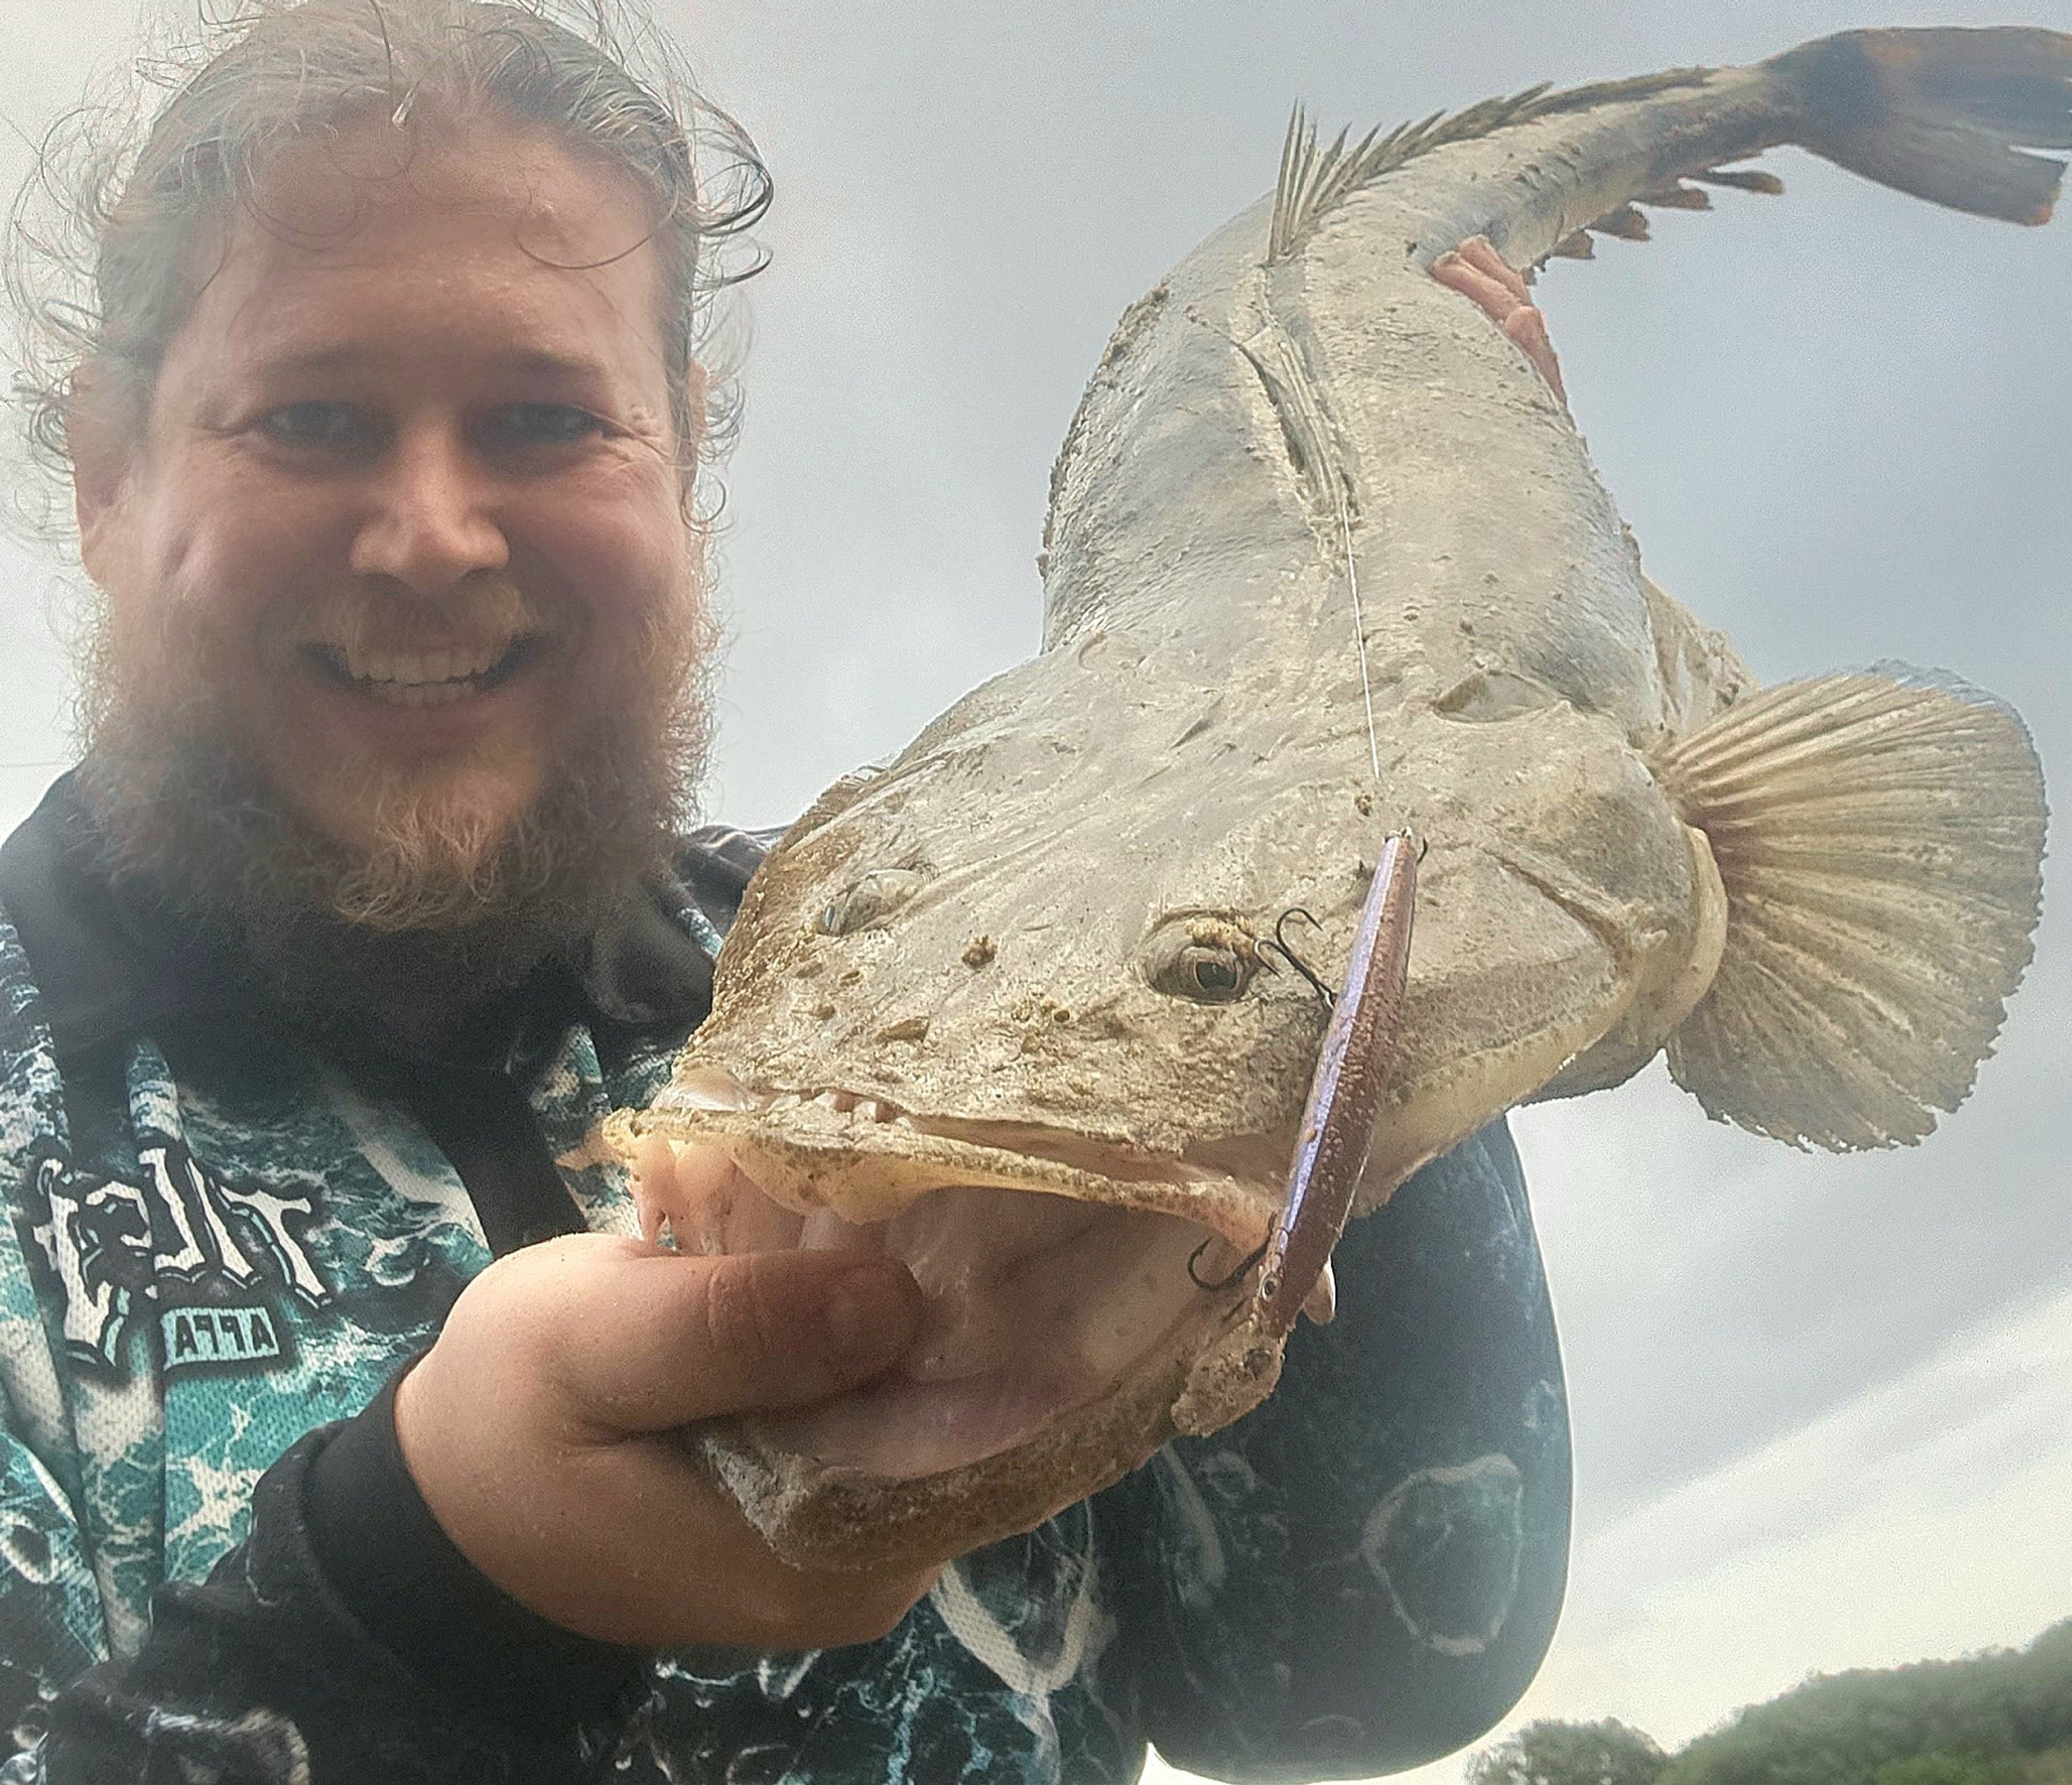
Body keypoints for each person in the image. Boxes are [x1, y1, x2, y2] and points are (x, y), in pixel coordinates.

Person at [0, 3, 1572, 1779]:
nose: (432, 531)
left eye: (541, 416)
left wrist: (1375, 811)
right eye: (310, 415)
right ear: (109, 471)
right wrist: (428, 1588)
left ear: (678, 451)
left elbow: (1341, 1674)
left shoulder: (933, 958)